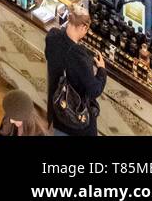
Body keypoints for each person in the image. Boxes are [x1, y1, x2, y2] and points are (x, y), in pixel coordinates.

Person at [45, 8, 106, 136]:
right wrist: (101, 70)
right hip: (76, 119)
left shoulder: (52, 37)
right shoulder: (79, 57)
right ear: (83, 27)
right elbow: (94, 90)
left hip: (57, 110)